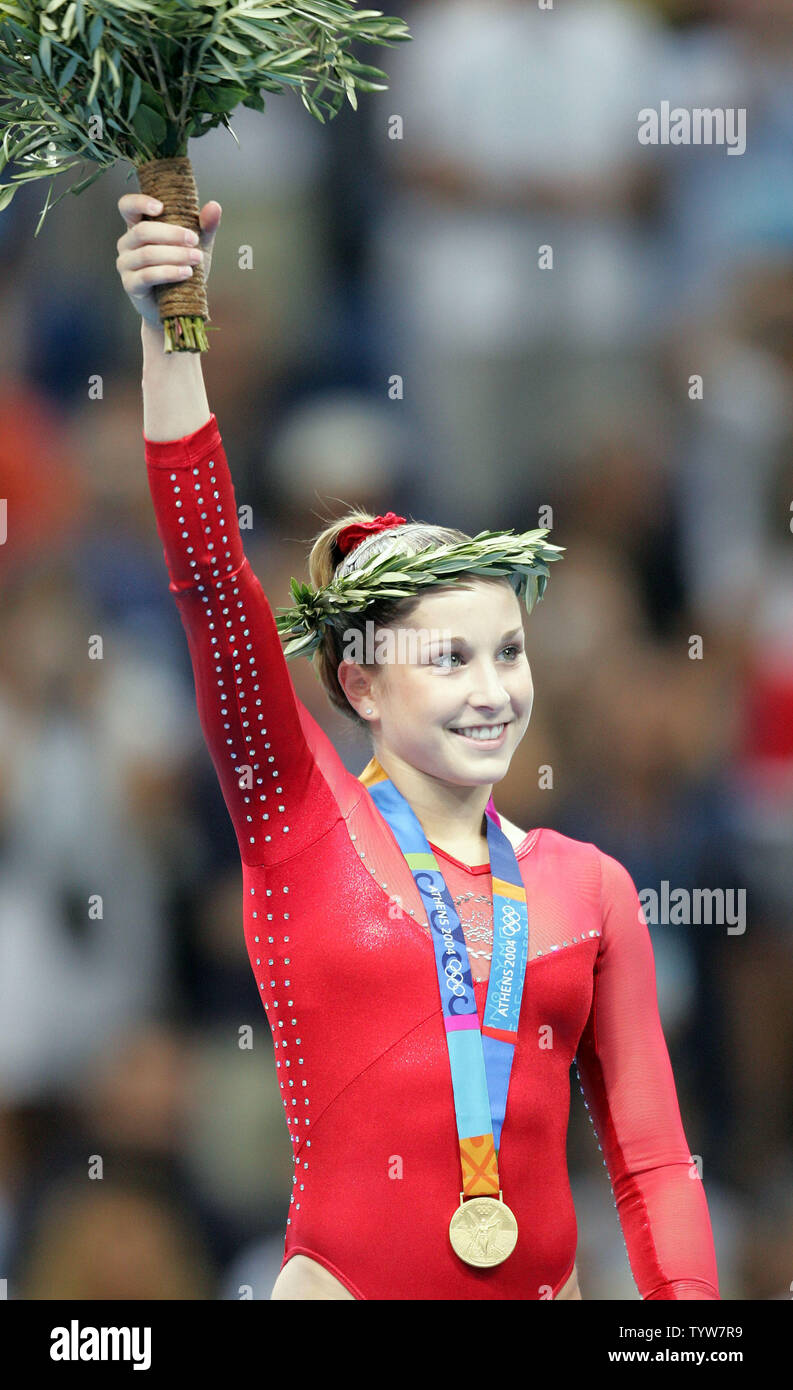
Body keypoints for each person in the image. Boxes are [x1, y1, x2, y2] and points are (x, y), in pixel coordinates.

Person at [116, 193, 721, 1301]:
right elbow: (210, 582)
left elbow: (652, 1168)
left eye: (508, 653)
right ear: (359, 683)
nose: (493, 691)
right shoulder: (298, 825)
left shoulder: (590, 888)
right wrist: (170, 338)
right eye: (450, 661)